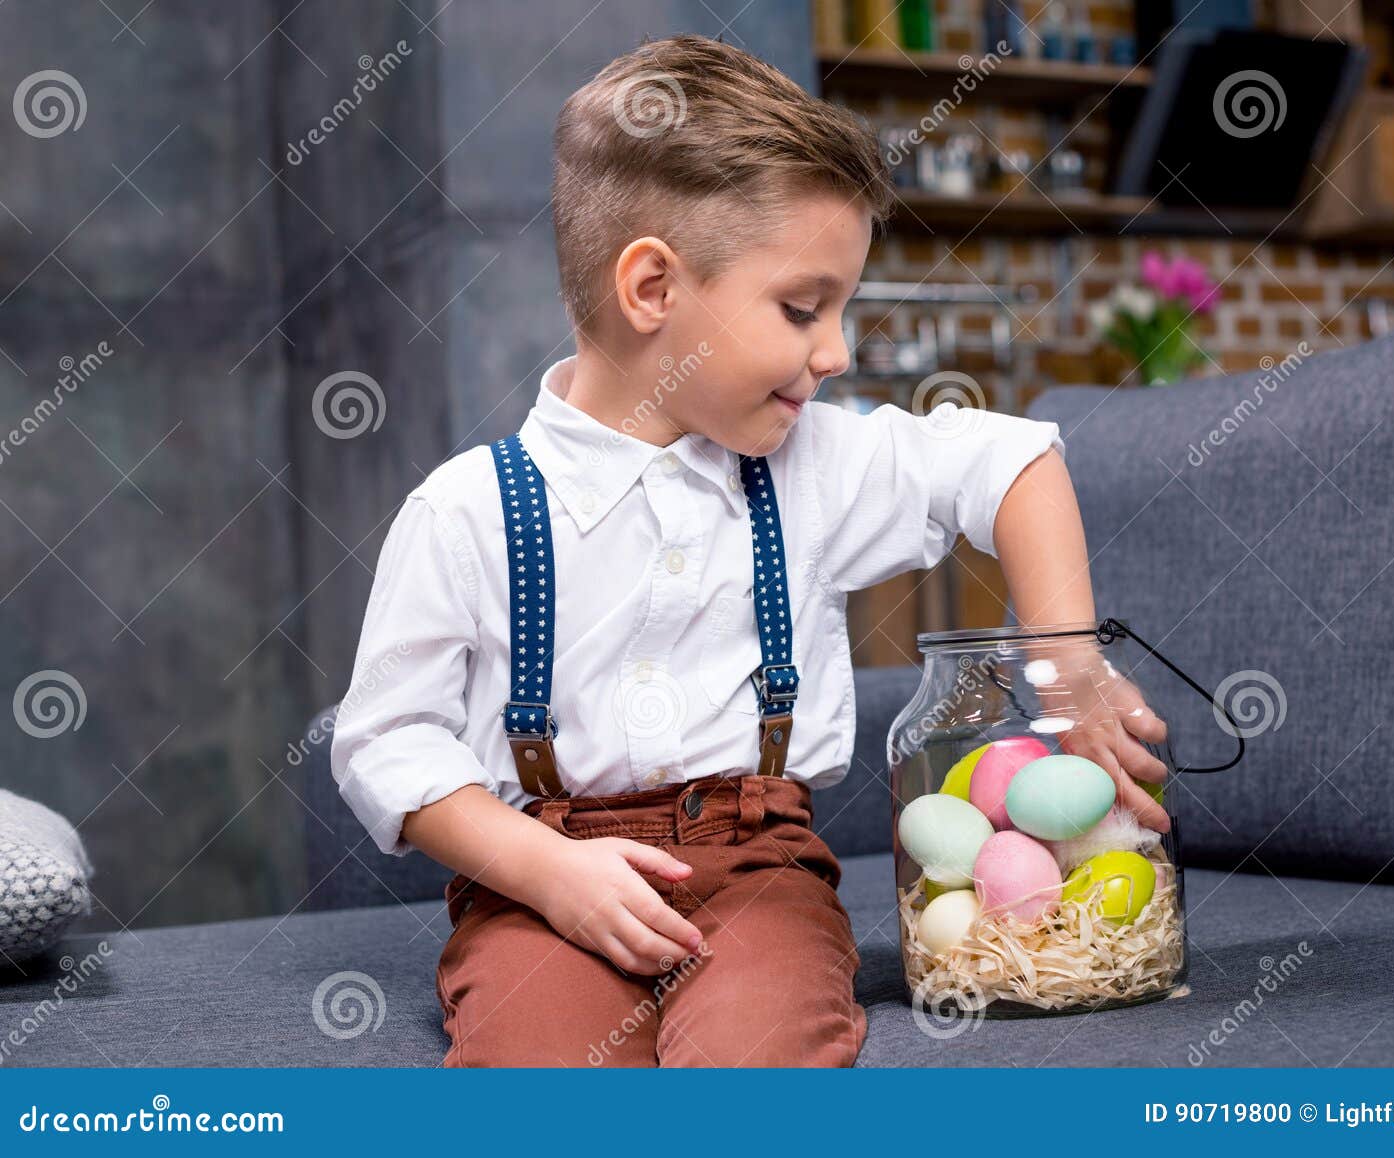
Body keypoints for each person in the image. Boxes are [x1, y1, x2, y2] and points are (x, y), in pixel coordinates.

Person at [330, 33, 1169, 1068]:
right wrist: (545, 872)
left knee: (758, 1062)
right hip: (536, 882)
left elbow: (1010, 464)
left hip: (759, 871)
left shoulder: (813, 464)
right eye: (802, 308)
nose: (838, 352)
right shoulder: (466, 512)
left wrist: (1068, 667)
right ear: (653, 292)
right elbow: (387, 744)